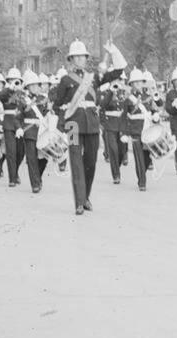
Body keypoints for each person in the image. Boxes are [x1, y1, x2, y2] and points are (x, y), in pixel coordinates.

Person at [53, 40, 124, 215]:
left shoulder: (94, 78)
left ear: (86, 59)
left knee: (90, 162)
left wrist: (113, 51)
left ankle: (85, 198)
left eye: (82, 57)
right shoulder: (65, 80)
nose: (79, 60)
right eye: (76, 57)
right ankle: (78, 201)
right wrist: (60, 128)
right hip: (72, 124)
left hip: (91, 123)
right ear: (71, 59)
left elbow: (119, 70)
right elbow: (57, 105)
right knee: (76, 161)